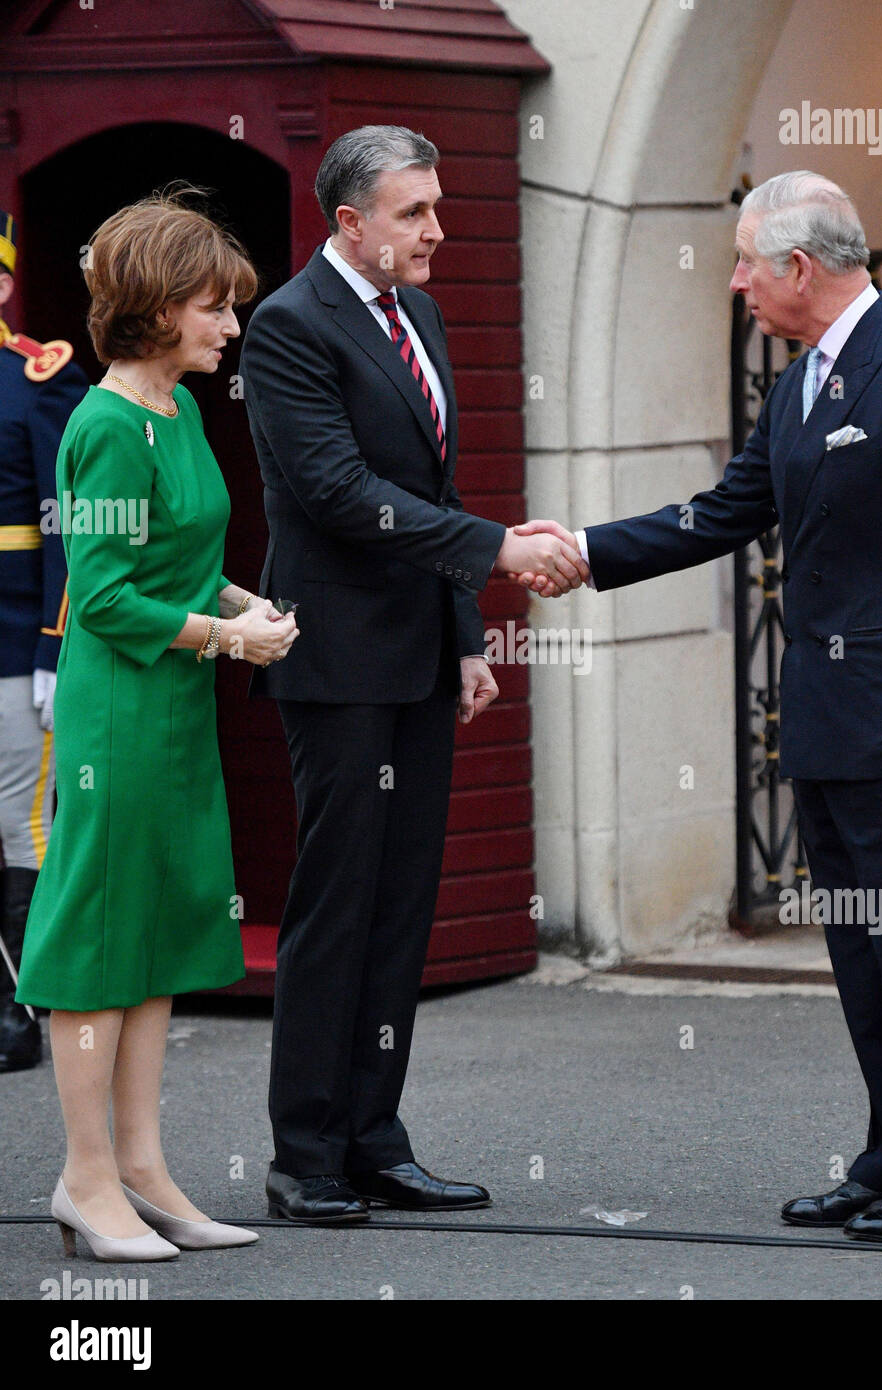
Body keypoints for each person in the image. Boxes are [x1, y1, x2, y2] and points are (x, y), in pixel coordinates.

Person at [517, 172, 882, 1242]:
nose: (737, 285)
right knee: (861, 960)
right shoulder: (801, 385)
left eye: (747, 265)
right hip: (833, 727)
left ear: (799, 267)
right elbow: (720, 512)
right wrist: (582, 550)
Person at [240, 125, 588, 1225]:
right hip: (337, 666)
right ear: (350, 223)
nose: (437, 230)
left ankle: (374, 1139)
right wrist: (496, 550)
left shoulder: (420, 315)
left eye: (437, 208)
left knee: (400, 910)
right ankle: (305, 1154)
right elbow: (344, 494)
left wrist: (466, 637)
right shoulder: (289, 329)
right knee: (337, 907)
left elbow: (431, 480)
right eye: (414, 214)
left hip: (419, 661)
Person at [16, 191, 298, 1261]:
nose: (230, 327)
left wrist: (235, 605)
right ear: (153, 306)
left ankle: (141, 1170)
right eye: (213, 306)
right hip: (117, 717)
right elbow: (100, 597)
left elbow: (164, 569)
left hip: (170, 708)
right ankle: (87, 1178)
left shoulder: (173, 411)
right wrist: (225, 639)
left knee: (157, 936)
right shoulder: (101, 421)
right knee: (99, 944)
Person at [0, 210, 87, 1073]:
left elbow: (65, 525)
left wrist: (52, 647)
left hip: (14, 631)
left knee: (21, 826)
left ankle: (27, 1007)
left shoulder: (33, 378)